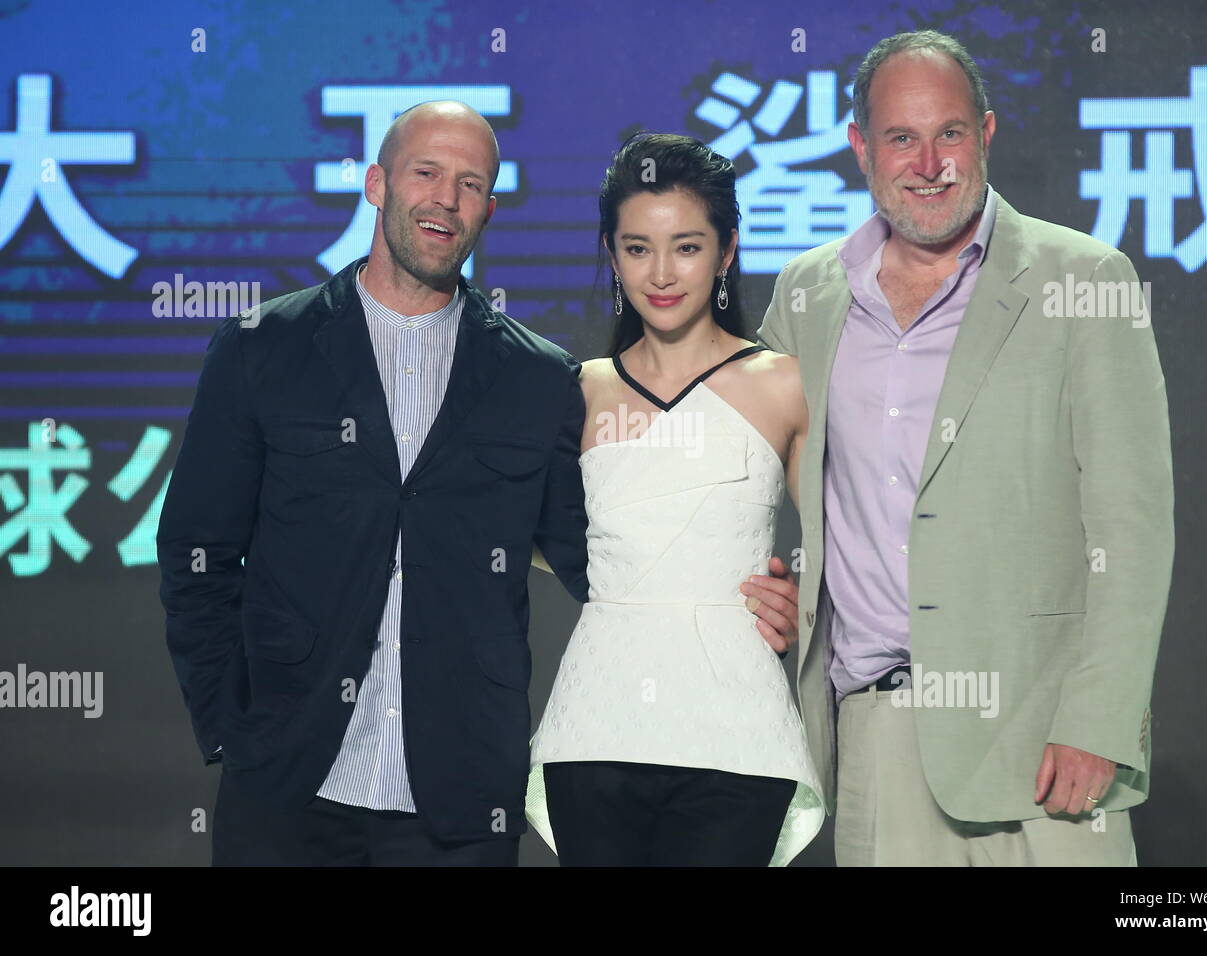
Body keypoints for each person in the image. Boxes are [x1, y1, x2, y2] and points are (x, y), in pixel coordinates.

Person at [157, 102, 798, 867]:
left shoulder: (534, 377)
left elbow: (601, 550)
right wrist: (232, 727)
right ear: (375, 183)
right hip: (290, 789)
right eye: (426, 171)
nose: (445, 198)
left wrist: (744, 593)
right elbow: (197, 552)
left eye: (470, 183)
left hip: (459, 805)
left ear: (489, 208)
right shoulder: (265, 348)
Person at [757, 31, 1174, 866]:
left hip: (1044, 735)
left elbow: (1132, 524)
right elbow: (750, 464)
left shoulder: (1083, 278)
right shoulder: (808, 291)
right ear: (859, 147)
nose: (928, 163)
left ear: (985, 134)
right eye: (901, 138)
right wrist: (768, 586)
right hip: (877, 729)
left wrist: (1097, 722)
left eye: (948, 133)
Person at [525, 133, 826, 867]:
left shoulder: (783, 383)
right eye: (636, 249)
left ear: (726, 252)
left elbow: (844, 536)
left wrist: (796, 587)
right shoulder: (580, 388)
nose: (660, 274)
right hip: (596, 723)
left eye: (686, 247)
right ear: (611, 252)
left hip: (737, 725)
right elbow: (516, 528)